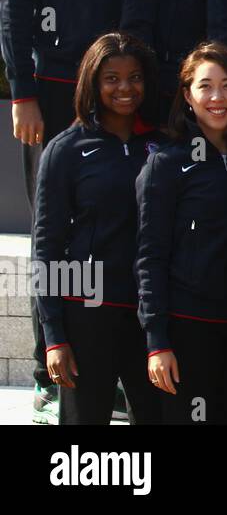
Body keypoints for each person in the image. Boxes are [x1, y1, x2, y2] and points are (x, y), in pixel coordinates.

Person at [1, 0, 152, 419]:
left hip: (138, 88)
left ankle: (119, 365)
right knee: (54, 228)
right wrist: (22, 92)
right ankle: (47, 365)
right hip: (61, 87)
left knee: (135, 216)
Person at [31, 32, 164, 425]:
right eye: (111, 78)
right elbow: (46, 245)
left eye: (135, 76)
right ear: (92, 81)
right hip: (87, 317)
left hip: (151, 318)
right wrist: (54, 337)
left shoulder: (166, 143)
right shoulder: (66, 149)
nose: (125, 87)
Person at [136, 41, 227, 424]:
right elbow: (149, 257)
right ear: (187, 95)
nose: (217, 97)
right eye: (205, 86)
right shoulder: (165, 164)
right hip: (187, 332)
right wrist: (157, 342)